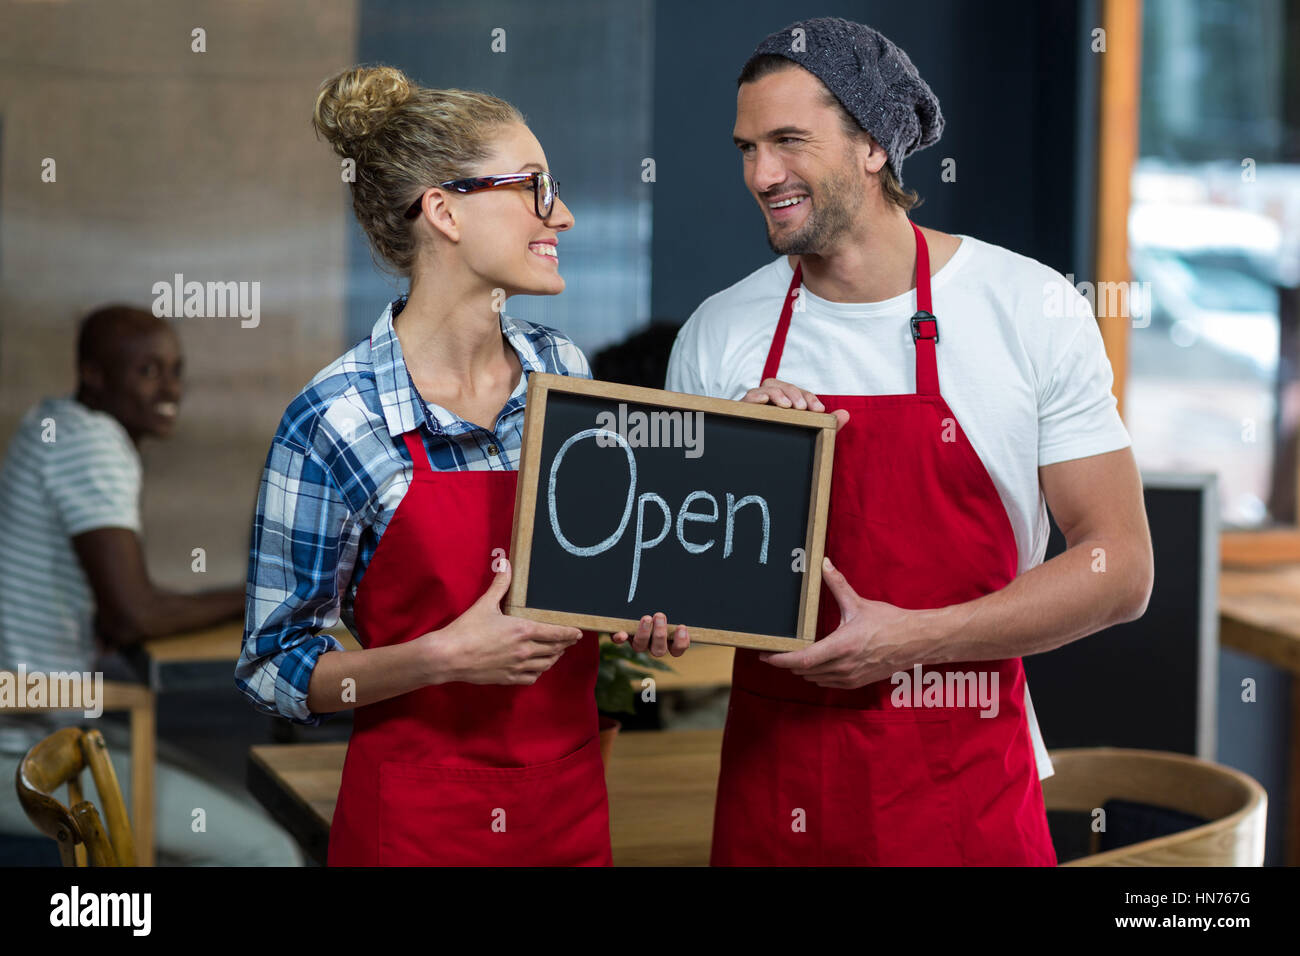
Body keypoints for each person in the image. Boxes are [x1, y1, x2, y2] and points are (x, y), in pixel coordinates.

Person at [657, 18, 1154, 865]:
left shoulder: (1024, 308)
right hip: (777, 795)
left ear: (875, 146)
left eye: (787, 141)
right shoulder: (720, 333)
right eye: (746, 147)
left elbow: (1121, 569)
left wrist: (912, 639)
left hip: (967, 791)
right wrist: (742, 464)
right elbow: (671, 593)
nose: (760, 174)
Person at [237, 65, 687, 867]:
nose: (566, 216)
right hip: (416, 828)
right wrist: (441, 657)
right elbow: (273, 668)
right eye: (535, 189)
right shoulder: (335, 420)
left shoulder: (566, 374)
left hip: (568, 813)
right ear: (442, 210)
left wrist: (637, 606)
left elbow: (590, 573)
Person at [0, 305, 304, 866]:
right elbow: (132, 617)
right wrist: (268, 595)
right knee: (269, 851)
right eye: (147, 371)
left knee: (241, 801)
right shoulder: (91, 445)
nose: (170, 388)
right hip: (23, 749)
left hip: (41, 722)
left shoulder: (53, 422)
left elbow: (121, 609)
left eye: (175, 370)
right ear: (95, 375)